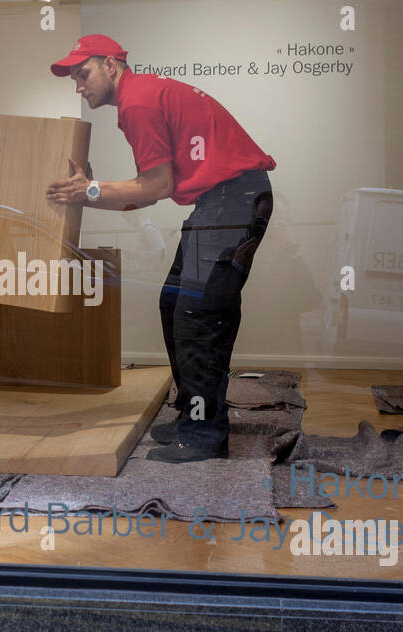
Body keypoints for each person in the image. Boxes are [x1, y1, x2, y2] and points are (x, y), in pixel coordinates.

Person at [47, 34, 276, 463]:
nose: (78, 84)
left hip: (234, 198)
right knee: (176, 304)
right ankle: (194, 417)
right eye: (74, 78)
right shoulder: (145, 95)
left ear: (111, 66)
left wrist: (90, 190)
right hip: (227, 199)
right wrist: (93, 190)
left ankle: (205, 433)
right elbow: (151, 190)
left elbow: (156, 186)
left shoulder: (138, 103)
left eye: (84, 73)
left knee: (197, 313)